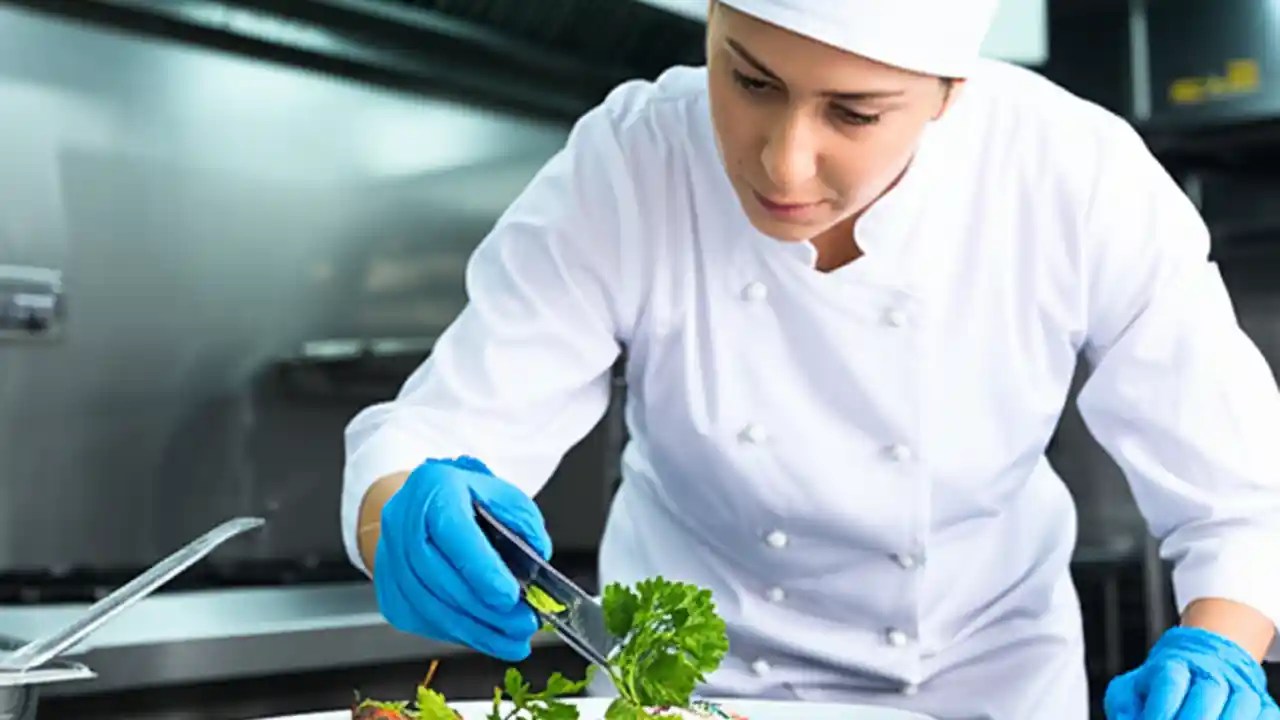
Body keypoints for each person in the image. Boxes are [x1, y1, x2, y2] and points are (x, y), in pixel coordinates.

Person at [340, 1, 1280, 718]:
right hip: (686, 692)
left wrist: (1222, 647)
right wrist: (407, 512)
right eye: (749, 83)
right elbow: (449, 428)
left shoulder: (1074, 173)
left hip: (979, 690)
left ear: (953, 92)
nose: (784, 164)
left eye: (855, 113)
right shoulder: (632, 161)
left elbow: (1239, 489)